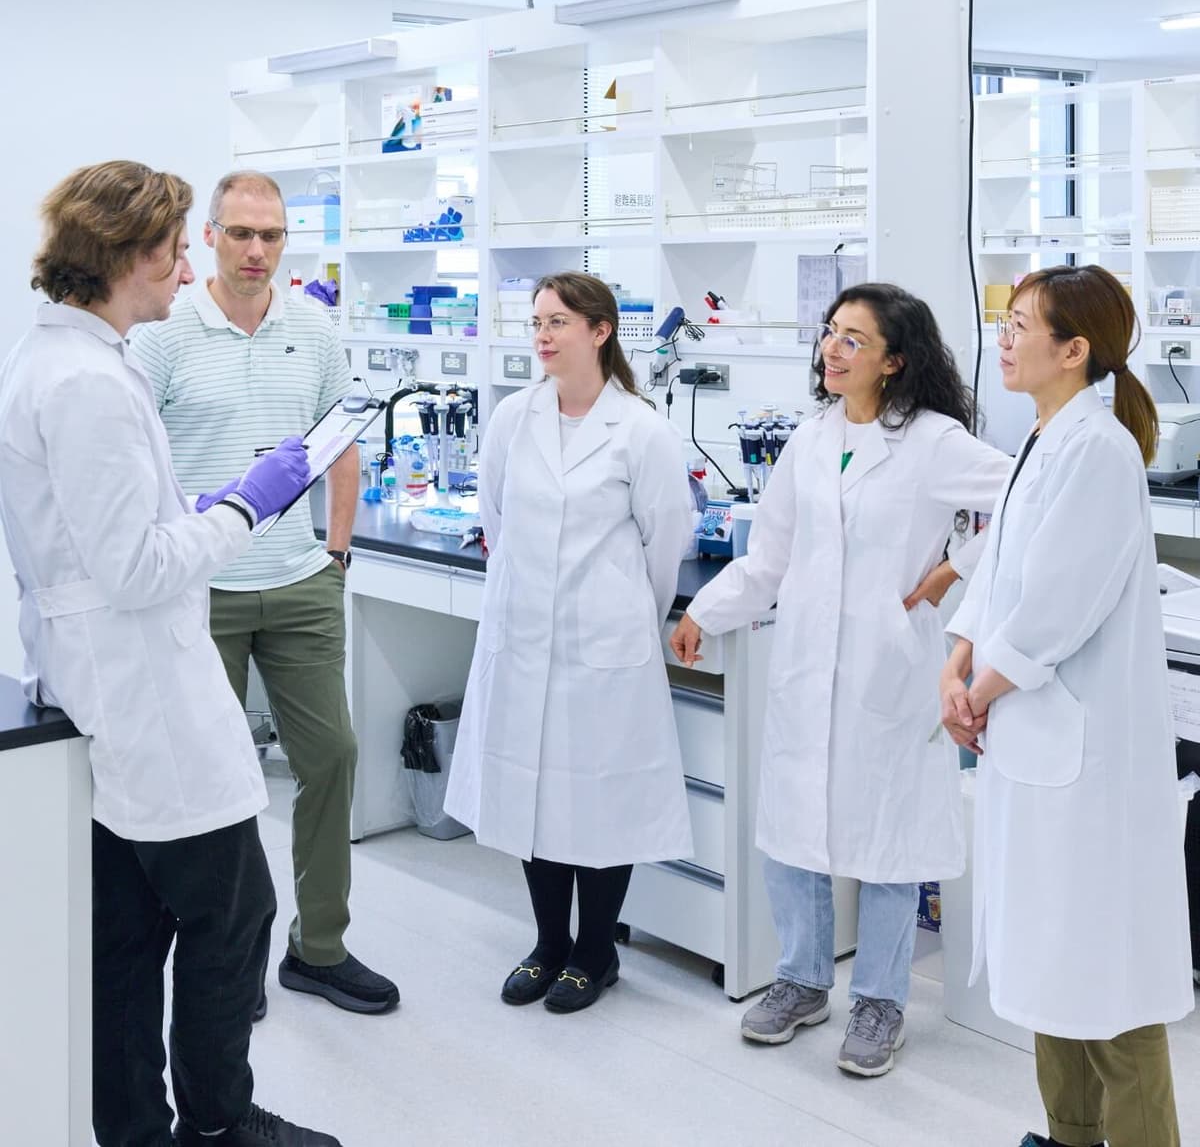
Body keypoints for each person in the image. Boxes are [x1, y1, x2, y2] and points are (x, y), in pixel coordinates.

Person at [0, 160, 341, 1147]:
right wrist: (246, 505)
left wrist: (187, 507)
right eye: (175, 251)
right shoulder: (89, 383)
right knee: (235, 916)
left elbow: (104, 532)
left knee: (128, 931)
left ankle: (138, 1128)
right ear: (120, 257)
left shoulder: (54, 358)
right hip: (144, 689)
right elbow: (136, 570)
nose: (189, 270)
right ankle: (219, 1126)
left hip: (98, 678)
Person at [670, 283, 1012, 1077]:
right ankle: (801, 980)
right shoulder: (812, 438)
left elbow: (1028, 497)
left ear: (894, 361)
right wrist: (706, 614)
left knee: (889, 840)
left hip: (888, 664)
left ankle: (881, 1001)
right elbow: (770, 557)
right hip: (805, 663)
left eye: (854, 338)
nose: (832, 347)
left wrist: (951, 571)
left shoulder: (933, 441)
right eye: (831, 332)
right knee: (794, 828)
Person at [132, 170, 397, 1020]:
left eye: (271, 236)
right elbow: (136, 460)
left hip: (298, 581)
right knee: (216, 781)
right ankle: (227, 958)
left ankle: (319, 949)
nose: (256, 250)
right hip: (199, 591)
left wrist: (337, 553)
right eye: (240, 233)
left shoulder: (313, 327)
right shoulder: (163, 332)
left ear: (286, 241)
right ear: (209, 236)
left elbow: (340, 442)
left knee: (333, 757)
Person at [941, 265, 1193, 1147]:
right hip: (1034, 741)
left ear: (1074, 349)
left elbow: (1056, 602)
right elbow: (1000, 571)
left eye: (1021, 326)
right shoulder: (1045, 438)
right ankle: (1068, 1134)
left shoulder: (1099, 449)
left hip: (1086, 767)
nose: (1004, 339)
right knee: (1054, 964)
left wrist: (978, 690)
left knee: (1110, 981)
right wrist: (960, 655)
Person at [444, 271, 695, 1013]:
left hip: (605, 646)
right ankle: (549, 943)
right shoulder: (513, 418)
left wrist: (622, 615)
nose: (543, 336)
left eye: (557, 322)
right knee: (534, 791)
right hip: (523, 635)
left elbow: (665, 546)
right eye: (537, 323)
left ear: (600, 331)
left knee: (600, 798)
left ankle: (596, 952)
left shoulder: (641, 430)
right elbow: (496, 518)